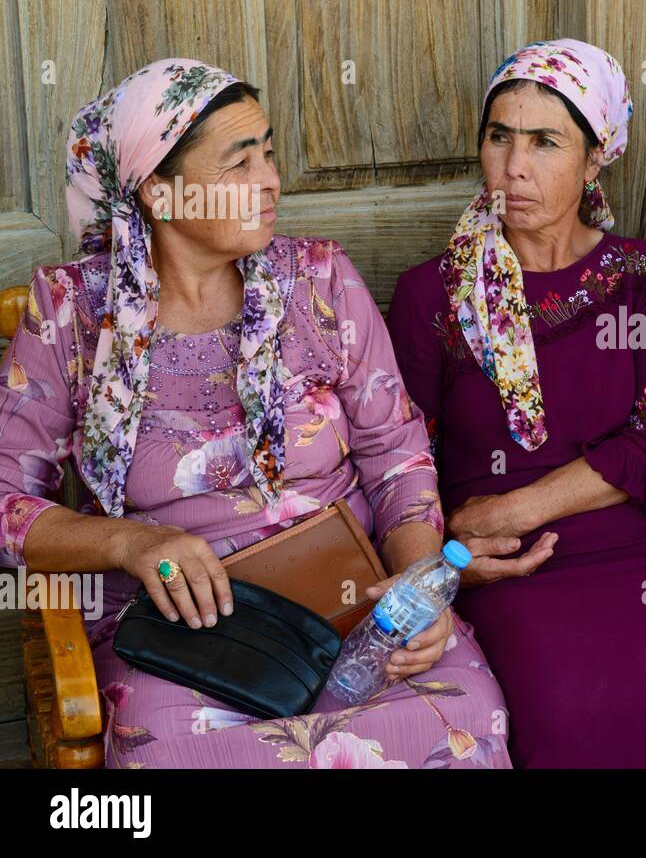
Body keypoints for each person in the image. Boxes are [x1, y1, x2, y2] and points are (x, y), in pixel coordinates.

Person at [0, 59, 509, 768]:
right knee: (171, 755)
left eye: (269, 153)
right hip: (183, 635)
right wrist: (131, 545)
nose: (272, 181)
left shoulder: (322, 279)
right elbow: (6, 504)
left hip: (354, 611)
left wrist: (421, 586)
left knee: (467, 718)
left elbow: (398, 454)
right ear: (161, 193)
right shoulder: (74, 314)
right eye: (241, 164)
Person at [386, 38, 646, 767]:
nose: (514, 166)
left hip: (642, 545)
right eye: (499, 136)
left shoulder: (641, 274)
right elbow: (400, 465)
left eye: (546, 141)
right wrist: (450, 555)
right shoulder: (432, 295)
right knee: (565, 712)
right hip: (509, 570)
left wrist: (512, 508)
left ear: (596, 158)